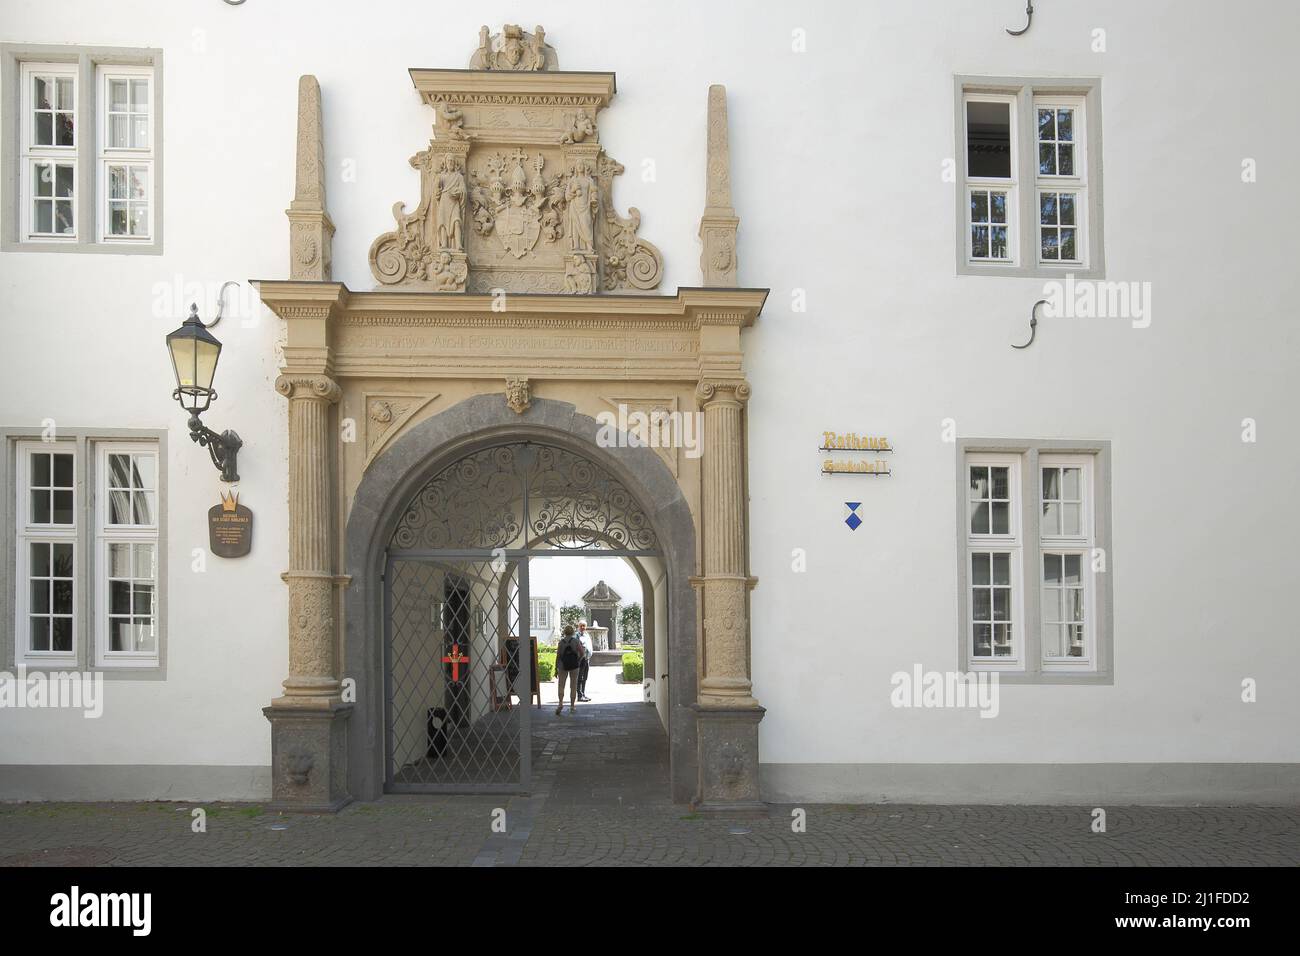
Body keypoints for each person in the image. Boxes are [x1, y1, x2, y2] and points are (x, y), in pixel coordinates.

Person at [555, 624, 585, 715]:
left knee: (561, 685)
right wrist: (578, 661)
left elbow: (558, 656)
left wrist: (556, 667)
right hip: (574, 665)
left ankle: (560, 703)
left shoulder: (561, 642)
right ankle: (572, 706)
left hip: (562, 666)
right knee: (573, 685)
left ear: (564, 632)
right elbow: (582, 653)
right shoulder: (576, 641)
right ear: (572, 632)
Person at [576, 620, 593, 702]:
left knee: (585, 677)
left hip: (586, 659)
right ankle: (579, 695)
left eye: (584, 626)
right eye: (581, 626)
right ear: (578, 627)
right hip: (580, 659)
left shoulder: (587, 635)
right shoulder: (576, 635)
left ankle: (583, 694)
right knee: (580, 677)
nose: (583, 627)